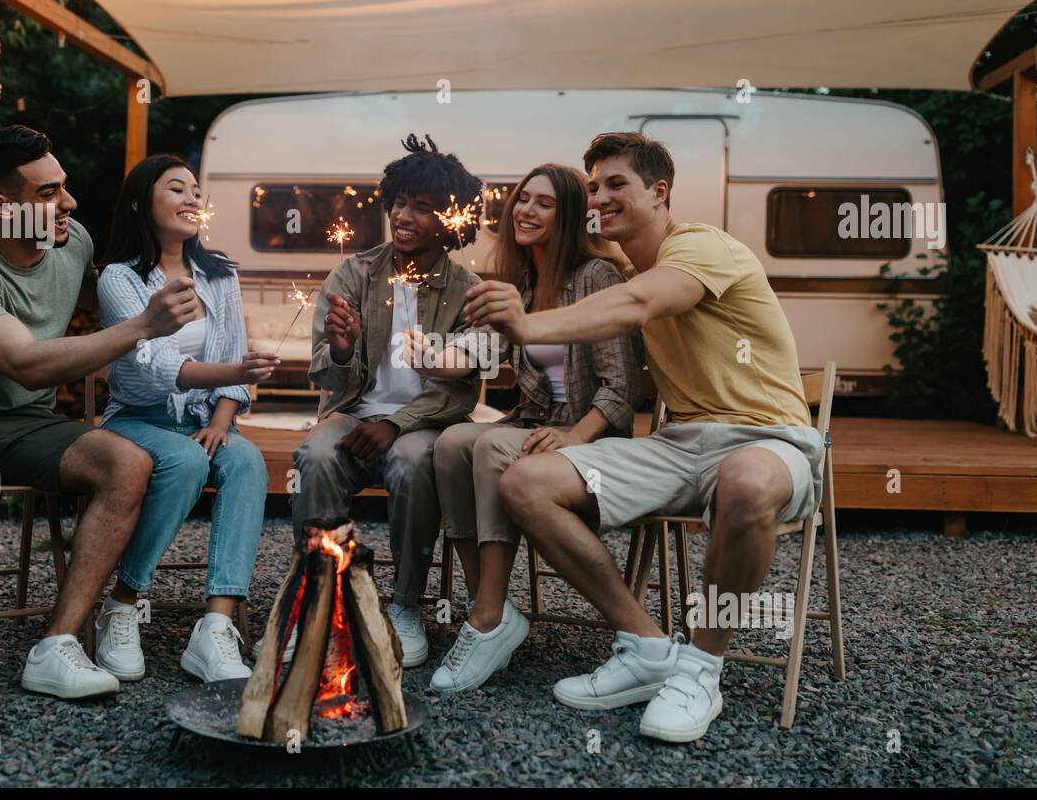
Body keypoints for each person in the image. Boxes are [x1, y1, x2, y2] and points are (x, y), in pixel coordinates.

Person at [464, 132, 823, 743]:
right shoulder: (625, 266)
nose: (599, 196)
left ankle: (701, 670)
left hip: (769, 441)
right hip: (678, 444)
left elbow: (635, 304)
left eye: (616, 184)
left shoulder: (701, 246)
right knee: (524, 482)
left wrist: (527, 323)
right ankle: (647, 646)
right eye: (594, 186)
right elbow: (601, 289)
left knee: (745, 478)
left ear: (660, 193)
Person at [0, 125, 197, 723]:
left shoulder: (72, 242)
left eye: (65, 189)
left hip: (31, 424)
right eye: (49, 193)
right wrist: (142, 329)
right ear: (1, 207)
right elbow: (25, 365)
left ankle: (58, 643)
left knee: (128, 461)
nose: (69, 205)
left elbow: (125, 283)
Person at [404, 164, 645, 693]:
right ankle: (486, 603)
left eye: (543, 203)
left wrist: (576, 436)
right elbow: (480, 354)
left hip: (590, 442)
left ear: (571, 217)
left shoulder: (595, 278)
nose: (525, 211)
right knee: (451, 442)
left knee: (488, 443)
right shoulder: (522, 284)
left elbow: (622, 387)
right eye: (521, 200)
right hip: (535, 430)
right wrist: (429, 358)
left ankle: (488, 617)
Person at [290, 134, 482, 667]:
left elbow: (462, 386)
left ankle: (404, 606)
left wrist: (397, 424)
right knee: (316, 456)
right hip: (353, 413)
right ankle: (321, 602)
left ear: (450, 218)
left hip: (423, 424)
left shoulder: (467, 288)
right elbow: (325, 376)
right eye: (399, 202)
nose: (403, 215)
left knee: (412, 462)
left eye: (422, 207)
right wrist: (345, 349)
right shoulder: (355, 273)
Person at [93, 155, 278, 683]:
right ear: (139, 203)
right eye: (177, 189)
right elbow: (149, 368)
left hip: (205, 418)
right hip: (138, 418)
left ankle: (215, 630)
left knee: (245, 462)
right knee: (183, 461)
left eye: (196, 190)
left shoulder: (219, 275)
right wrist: (232, 370)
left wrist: (224, 418)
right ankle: (123, 604)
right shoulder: (120, 279)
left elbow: (234, 354)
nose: (192, 198)